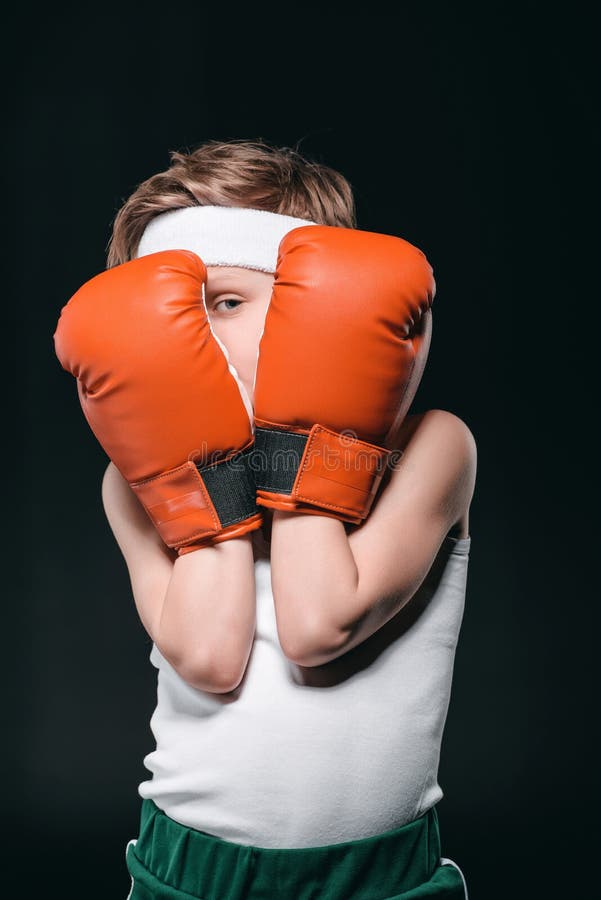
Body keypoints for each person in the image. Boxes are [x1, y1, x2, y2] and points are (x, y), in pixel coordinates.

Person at [55, 139, 476, 898]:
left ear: (324, 311)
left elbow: (319, 627)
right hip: (188, 867)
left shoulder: (431, 446)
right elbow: (213, 659)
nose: (195, 341)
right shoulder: (132, 483)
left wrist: (313, 431)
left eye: (225, 302)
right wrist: (194, 460)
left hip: (378, 876)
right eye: (170, 320)